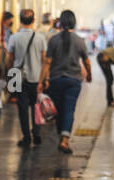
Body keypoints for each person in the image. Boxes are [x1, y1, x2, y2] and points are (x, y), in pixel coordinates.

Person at [39, 9, 91, 155]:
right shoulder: (80, 41)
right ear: (74, 22)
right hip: (73, 81)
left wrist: (41, 80)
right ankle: (64, 139)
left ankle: (60, 134)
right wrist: (89, 75)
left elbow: (47, 62)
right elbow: (87, 62)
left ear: (60, 22)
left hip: (55, 80)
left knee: (59, 110)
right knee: (69, 109)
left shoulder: (53, 40)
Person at [6, 9, 46, 148]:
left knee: (22, 108)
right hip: (36, 77)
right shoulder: (40, 38)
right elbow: (44, 60)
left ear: (20, 20)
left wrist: (9, 76)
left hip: (18, 77)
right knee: (36, 107)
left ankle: (26, 137)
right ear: (34, 20)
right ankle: (37, 133)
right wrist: (44, 79)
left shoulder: (14, 38)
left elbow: (9, 59)